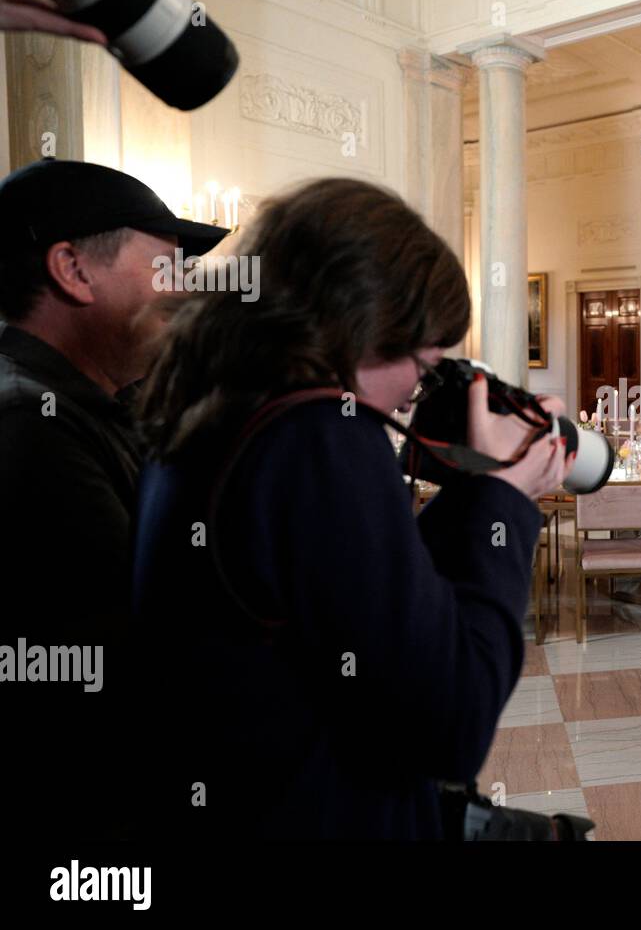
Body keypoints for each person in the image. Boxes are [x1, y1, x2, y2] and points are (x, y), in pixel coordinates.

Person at [130, 177, 572, 839]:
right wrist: (504, 502)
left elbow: (365, 613)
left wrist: (474, 490)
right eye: (423, 368)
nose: (407, 399)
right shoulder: (318, 434)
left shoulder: (217, 410)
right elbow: (453, 721)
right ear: (362, 324)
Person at [0, 159, 227, 839]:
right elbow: (158, 661)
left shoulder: (90, 403)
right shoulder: (30, 428)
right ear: (73, 269)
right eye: (166, 268)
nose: (184, 291)